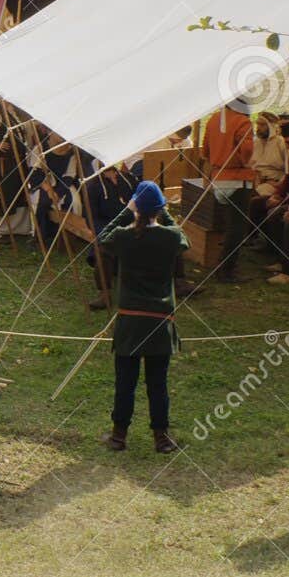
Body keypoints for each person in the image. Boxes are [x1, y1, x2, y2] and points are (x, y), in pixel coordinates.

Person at [97, 180, 187, 454]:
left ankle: (118, 436)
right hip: (159, 322)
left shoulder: (124, 236)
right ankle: (161, 437)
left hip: (130, 321)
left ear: (137, 207)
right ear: (159, 210)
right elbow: (181, 237)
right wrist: (163, 211)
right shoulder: (170, 237)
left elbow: (103, 238)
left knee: (125, 382)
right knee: (157, 384)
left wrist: (128, 210)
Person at [201, 99, 255, 283]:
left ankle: (225, 265)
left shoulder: (213, 119)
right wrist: (245, 162)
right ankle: (226, 269)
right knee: (237, 229)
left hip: (218, 178)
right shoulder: (243, 121)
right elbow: (247, 149)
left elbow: (205, 150)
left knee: (228, 226)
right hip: (237, 179)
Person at [84, 163, 137, 310]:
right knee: (102, 249)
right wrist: (106, 232)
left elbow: (141, 203)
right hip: (109, 228)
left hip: (133, 225)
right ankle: (104, 294)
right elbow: (92, 218)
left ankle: (178, 282)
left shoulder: (129, 179)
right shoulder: (93, 186)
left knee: (165, 235)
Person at [260, 120, 289, 281]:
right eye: (288, 142)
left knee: (283, 217)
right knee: (259, 203)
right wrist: (278, 195)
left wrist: (286, 205)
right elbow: (288, 179)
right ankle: (276, 254)